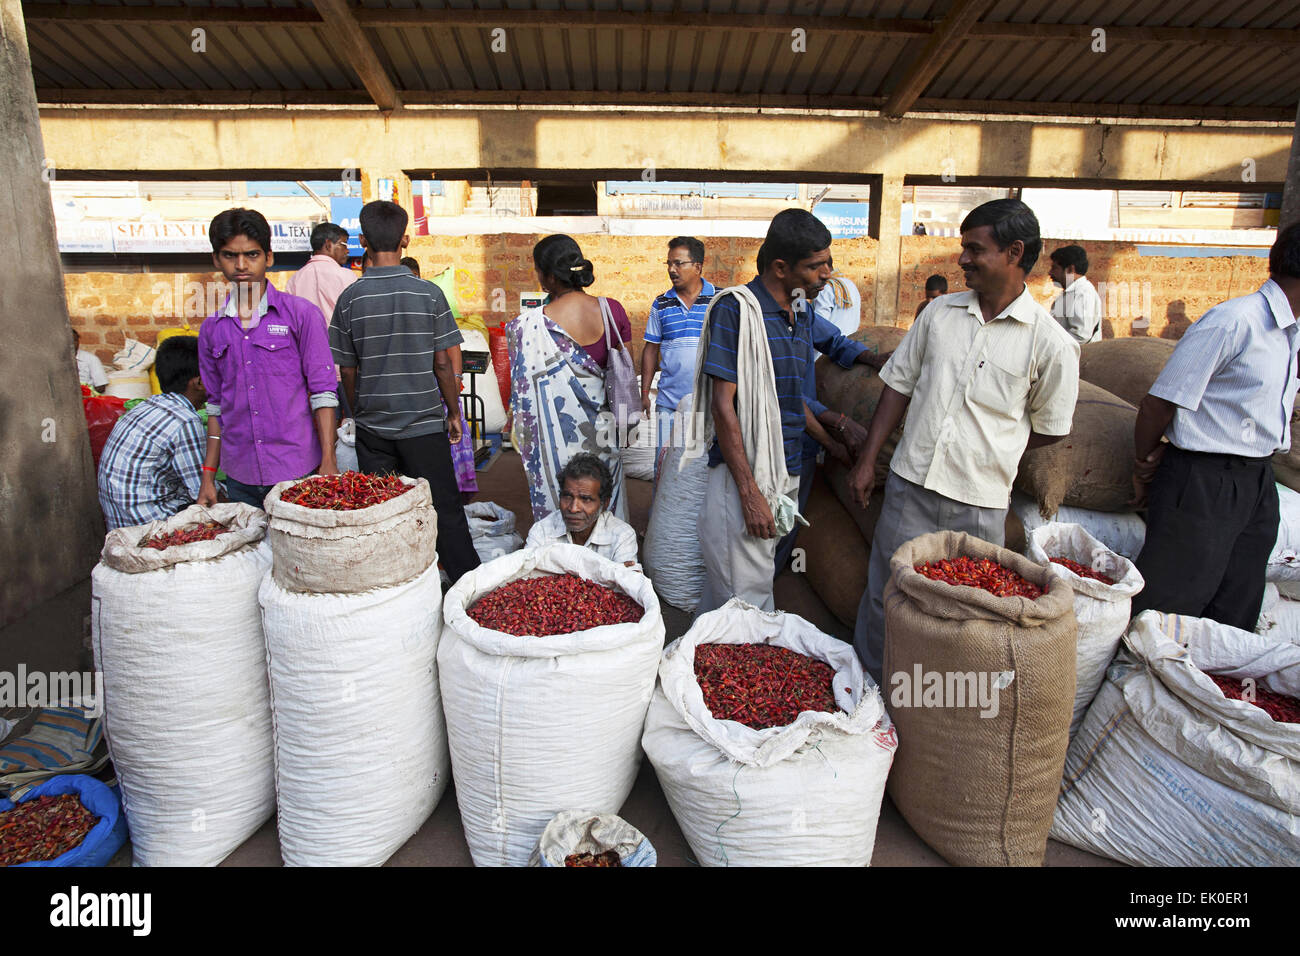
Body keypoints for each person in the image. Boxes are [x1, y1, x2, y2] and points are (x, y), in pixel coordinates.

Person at [847, 199, 1080, 683]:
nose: (962, 259)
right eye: (963, 248)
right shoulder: (939, 315)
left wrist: (993, 448)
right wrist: (868, 460)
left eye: (975, 249)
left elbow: (1051, 427)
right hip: (911, 485)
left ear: (1014, 252)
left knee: (963, 617)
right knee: (886, 596)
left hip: (979, 504)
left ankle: (929, 713)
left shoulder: (1051, 344)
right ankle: (867, 696)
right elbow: (898, 386)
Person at [1128, 223, 1300, 631]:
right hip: (1203, 477)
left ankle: (1209, 691)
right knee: (1171, 602)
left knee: (1237, 600)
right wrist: (1143, 466)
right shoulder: (1234, 321)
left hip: (1257, 478)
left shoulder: (1290, 333)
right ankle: (1136, 684)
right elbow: (1159, 403)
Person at [688, 209, 831, 614]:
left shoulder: (801, 313)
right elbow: (723, 405)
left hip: (783, 468)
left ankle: (705, 664)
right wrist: (751, 496)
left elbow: (784, 398)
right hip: (742, 479)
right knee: (747, 597)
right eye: (815, 265)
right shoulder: (736, 309)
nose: (826, 274)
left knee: (744, 585)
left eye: (827, 262)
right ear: (781, 267)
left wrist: (833, 440)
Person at [330, 201, 480, 583]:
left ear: (362, 241)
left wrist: (356, 410)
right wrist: (452, 412)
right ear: (406, 240)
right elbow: (444, 363)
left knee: (384, 511)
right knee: (443, 508)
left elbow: (347, 368)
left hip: (374, 427)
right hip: (424, 424)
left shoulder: (349, 300)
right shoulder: (428, 294)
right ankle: (468, 589)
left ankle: (396, 586)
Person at [197, 208, 339, 510]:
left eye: (251, 254)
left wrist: (328, 460)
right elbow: (215, 406)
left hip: (297, 471)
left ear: (268, 258)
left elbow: (324, 393)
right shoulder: (212, 328)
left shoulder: (301, 315)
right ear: (215, 259)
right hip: (239, 475)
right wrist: (208, 475)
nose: (241, 265)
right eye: (229, 256)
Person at [506, 234, 632, 523]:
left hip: (555, 445)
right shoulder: (611, 311)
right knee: (602, 502)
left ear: (549, 276)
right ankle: (608, 560)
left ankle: (562, 562)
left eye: (538, 271)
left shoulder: (528, 326)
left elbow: (525, 394)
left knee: (566, 503)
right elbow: (623, 373)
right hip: (603, 434)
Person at [98, 337, 209, 530]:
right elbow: (205, 492)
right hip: (148, 526)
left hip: (120, 520)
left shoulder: (146, 405)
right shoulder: (185, 420)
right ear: (198, 382)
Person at [397, 255, 477, 498]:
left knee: (452, 433)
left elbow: (451, 347)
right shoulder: (398, 307)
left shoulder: (430, 298)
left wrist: (456, 376)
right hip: (417, 389)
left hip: (439, 386)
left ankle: (455, 488)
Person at [641, 237, 715, 450]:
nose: (672, 270)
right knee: (663, 464)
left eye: (679, 263)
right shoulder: (661, 303)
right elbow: (650, 350)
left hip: (708, 404)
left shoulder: (719, 299)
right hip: (669, 404)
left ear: (697, 267)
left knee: (702, 468)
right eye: (669, 264)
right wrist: (644, 393)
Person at [524, 453, 640, 569]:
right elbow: (525, 574)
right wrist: (609, 573)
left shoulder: (622, 535)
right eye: (567, 496)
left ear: (605, 503)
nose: (573, 508)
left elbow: (628, 581)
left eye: (586, 499)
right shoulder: (542, 531)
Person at [285, 222, 356, 336]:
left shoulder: (294, 280)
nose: (347, 250)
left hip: (306, 347)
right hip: (339, 348)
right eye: (344, 244)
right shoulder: (346, 276)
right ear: (328, 245)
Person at [1048, 244, 1104, 344]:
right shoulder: (1071, 293)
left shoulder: (1083, 293)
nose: (1050, 273)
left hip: (1080, 357)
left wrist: (1052, 345)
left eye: (1054, 268)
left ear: (1070, 269)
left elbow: (1081, 335)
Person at [813, 264, 862, 337]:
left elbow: (819, 325)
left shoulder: (824, 288)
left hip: (831, 344)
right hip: (850, 341)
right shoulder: (850, 284)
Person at [73, 329, 108, 393]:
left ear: (78, 341)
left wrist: (85, 392)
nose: (72, 344)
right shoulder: (56, 360)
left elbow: (101, 387)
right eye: (68, 341)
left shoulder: (91, 359)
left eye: (75, 340)